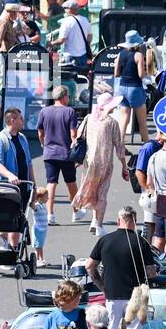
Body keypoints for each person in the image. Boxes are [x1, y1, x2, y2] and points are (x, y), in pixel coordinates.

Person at [87, 206, 155, 329]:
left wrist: (102, 286)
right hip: (136, 296)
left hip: (112, 294)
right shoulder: (141, 242)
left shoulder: (105, 240)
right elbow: (151, 272)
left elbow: (89, 266)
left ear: (119, 220)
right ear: (135, 221)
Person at [71, 93, 129, 236]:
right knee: (101, 192)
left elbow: (79, 137)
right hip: (104, 164)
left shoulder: (89, 118)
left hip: (89, 162)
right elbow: (119, 146)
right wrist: (124, 165)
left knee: (91, 189)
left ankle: (94, 220)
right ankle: (98, 225)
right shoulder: (112, 123)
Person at [0, 108, 35, 246]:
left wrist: (34, 186)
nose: (23, 121)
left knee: (17, 220)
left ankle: (13, 252)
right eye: (20, 118)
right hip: (6, 188)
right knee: (4, 219)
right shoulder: (0, 139)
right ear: (12, 120)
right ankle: (0, 246)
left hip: (23, 186)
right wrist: (10, 175)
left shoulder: (22, 138)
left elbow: (29, 163)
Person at [37, 86, 81, 226]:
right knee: (71, 183)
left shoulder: (44, 111)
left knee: (51, 183)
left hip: (49, 153)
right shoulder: (70, 112)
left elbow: (40, 132)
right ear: (64, 97)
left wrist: (44, 144)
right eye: (68, 96)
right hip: (65, 153)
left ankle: (50, 214)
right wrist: (76, 149)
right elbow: (73, 134)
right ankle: (76, 211)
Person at [114, 30, 149, 141]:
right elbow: (141, 75)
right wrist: (146, 71)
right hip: (135, 88)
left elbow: (116, 73)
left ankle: (120, 143)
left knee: (124, 118)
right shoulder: (138, 55)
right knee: (142, 120)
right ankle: (146, 142)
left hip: (122, 87)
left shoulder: (121, 53)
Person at [49, 1, 92, 70]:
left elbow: (61, 40)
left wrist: (51, 43)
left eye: (65, 8)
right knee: (82, 78)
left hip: (70, 56)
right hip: (83, 56)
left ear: (70, 9)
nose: (64, 10)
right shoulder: (85, 20)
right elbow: (89, 38)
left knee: (69, 78)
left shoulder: (66, 21)